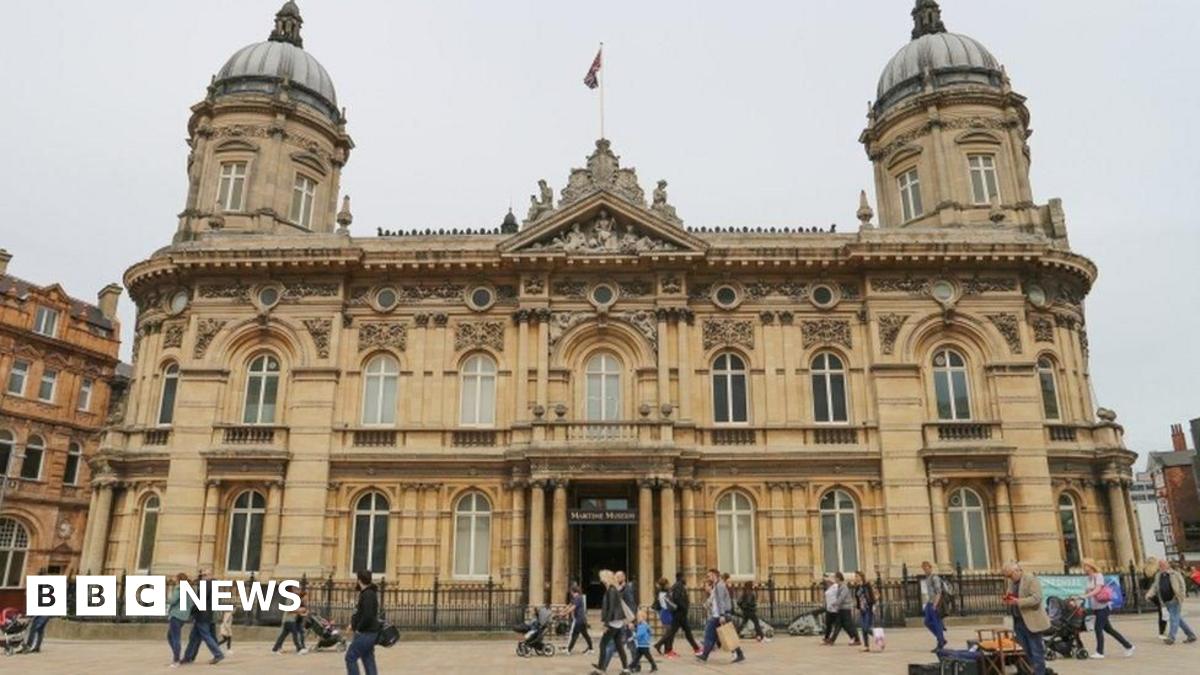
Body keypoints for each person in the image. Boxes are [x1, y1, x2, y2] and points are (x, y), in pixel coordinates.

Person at [1002, 562, 1050, 675]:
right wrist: (1007, 599)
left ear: (1017, 571)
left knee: (1036, 651)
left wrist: (1018, 602)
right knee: (1026, 651)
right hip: (1018, 621)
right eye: (1007, 576)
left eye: (1010, 575)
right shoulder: (1011, 582)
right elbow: (1011, 595)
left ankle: (1040, 673)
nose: (1009, 578)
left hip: (1032, 621)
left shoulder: (1030, 579)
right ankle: (1034, 671)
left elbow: (1037, 598)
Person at [1079, 558, 1134, 658]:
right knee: (1109, 629)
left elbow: (1097, 589)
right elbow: (1087, 590)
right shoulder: (1089, 578)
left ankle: (1100, 652)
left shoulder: (1098, 576)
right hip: (1096, 607)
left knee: (1098, 628)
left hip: (1103, 606)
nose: (1084, 568)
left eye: (1085, 566)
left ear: (1091, 566)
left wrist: (1086, 596)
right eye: (1083, 566)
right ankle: (1128, 646)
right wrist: (1080, 596)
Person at [696, 568, 746, 664]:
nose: (708, 577)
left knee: (710, 635)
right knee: (724, 635)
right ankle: (739, 654)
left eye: (709, 575)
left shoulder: (719, 586)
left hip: (719, 615)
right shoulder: (717, 585)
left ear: (715, 575)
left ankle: (704, 655)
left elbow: (721, 601)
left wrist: (722, 615)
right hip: (719, 615)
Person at [1146, 558, 1197, 645]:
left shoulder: (1175, 574)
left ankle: (1171, 638)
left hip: (1175, 599)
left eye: (1163, 565)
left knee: (1173, 619)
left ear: (1167, 565)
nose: (1162, 567)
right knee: (1178, 619)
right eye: (1160, 565)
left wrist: (1181, 596)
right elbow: (1154, 586)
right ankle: (1191, 635)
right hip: (1165, 601)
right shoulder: (1158, 575)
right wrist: (1149, 594)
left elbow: (1182, 585)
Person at [182, 569, 224, 665]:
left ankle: (218, 654)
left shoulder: (206, 586)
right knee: (194, 638)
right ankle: (188, 657)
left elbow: (199, 601)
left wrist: (191, 612)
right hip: (208, 615)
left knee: (206, 636)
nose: (203, 577)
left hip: (202, 615)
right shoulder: (214, 586)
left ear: (210, 575)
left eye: (205, 575)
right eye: (202, 575)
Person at [593, 569, 630, 675]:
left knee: (603, 645)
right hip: (617, 622)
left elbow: (611, 608)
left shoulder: (611, 590)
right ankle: (626, 669)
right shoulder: (613, 589)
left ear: (605, 578)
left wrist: (606, 624)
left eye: (601, 577)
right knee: (619, 646)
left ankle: (600, 670)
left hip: (613, 622)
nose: (600, 579)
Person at [655, 572, 700, 657]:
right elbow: (676, 600)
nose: (686, 579)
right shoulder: (675, 588)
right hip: (673, 613)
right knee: (671, 632)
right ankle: (665, 648)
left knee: (679, 631)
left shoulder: (671, 589)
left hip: (675, 613)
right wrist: (684, 607)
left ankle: (695, 648)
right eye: (684, 577)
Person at [346, 570, 380, 675]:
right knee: (367, 658)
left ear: (359, 580)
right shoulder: (367, 593)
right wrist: (352, 624)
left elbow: (367, 616)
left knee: (350, 656)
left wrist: (359, 628)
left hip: (366, 632)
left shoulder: (368, 594)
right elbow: (360, 613)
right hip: (369, 632)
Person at [921, 561, 947, 652]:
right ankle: (941, 639)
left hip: (935, 603)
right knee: (927, 622)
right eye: (924, 569)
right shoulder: (927, 578)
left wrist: (935, 604)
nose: (925, 570)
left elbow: (938, 592)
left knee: (937, 623)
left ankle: (940, 643)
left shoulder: (934, 578)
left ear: (930, 568)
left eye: (926, 568)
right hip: (929, 602)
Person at [273, 589, 308, 654]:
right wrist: (300, 610)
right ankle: (299, 649)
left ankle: (275, 649)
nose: (299, 591)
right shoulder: (290, 598)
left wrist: (301, 613)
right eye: (297, 589)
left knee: (283, 635)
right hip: (289, 620)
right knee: (295, 634)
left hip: (290, 620)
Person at [166, 573, 191, 667]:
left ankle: (176, 660)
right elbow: (191, 604)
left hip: (176, 615)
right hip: (183, 616)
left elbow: (172, 600)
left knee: (175, 638)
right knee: (169, 636)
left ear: (179, 579)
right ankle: (176, 656)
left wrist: (168, 596)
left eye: (176, 578)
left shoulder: (179, 588)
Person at [1142, 557, 1168, 640]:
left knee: (1162, 612)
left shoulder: (1145, 571)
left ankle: (1162, 631)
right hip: (1158, 594)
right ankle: (1162, 632)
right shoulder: (1157, 572)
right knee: (1163, 613)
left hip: (1151, 595)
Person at [564, 583, 593, 656]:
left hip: (579, 619)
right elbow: (569, 605)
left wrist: (565, 613)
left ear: (572, 591)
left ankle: (568, 650)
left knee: (574, 635)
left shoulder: (577, 598)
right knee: (585, 635)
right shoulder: (575, 598)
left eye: (570, 591)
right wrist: (562, 611)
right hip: (582, 619)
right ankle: (591, 648)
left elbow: (573, 607)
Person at [854, 571, 877, 652]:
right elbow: (857, 599)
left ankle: (877, 636)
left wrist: (873, 605)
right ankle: (866, 646)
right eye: (855, 576)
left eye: (857, 576)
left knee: (866, 628)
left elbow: (872, 595)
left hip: (868, 608)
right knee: (863, 628)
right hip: (862, 609)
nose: (855, 578)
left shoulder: (867, 585)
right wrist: (857, 608)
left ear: (861, 576)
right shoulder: (857, 587)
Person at [821, 576, 839, 644]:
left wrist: (836, 603)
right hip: (829, 608)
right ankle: (827, 637)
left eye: (827, 581)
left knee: (838, 625)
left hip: (835, 609)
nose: (826, 583)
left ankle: (831, 639)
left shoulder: (835, 586)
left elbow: (839, 595)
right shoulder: (828, 588)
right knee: (828, 624)